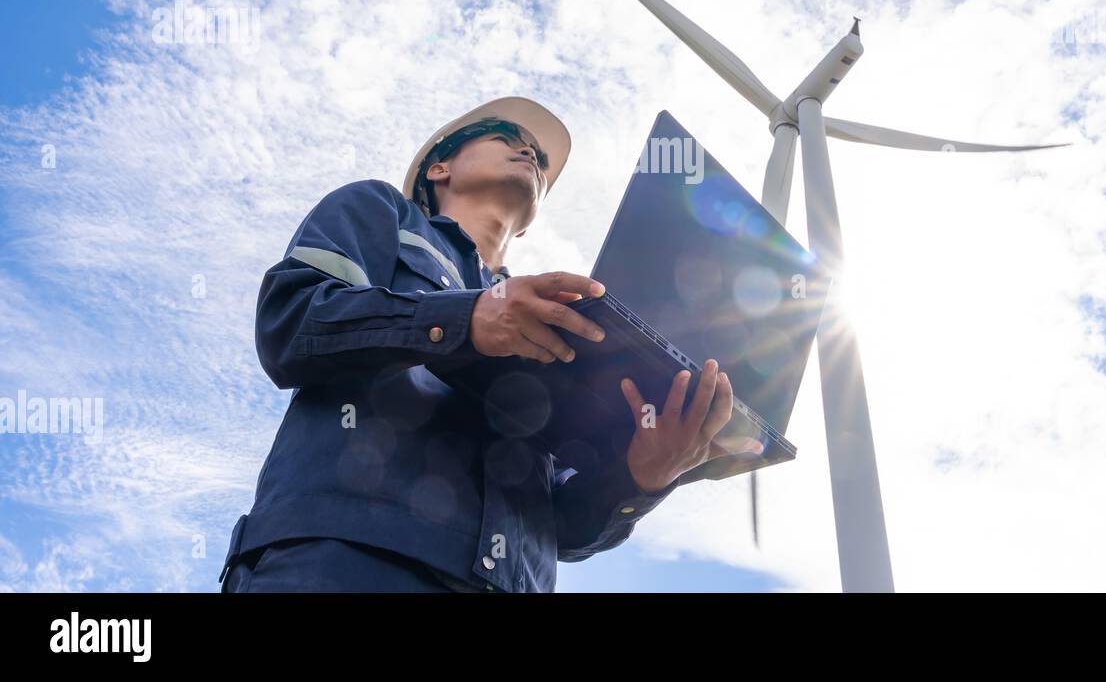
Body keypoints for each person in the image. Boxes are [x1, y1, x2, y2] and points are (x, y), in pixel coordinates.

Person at [219, 96, 738, 592]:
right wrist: (465, 320)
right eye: (507, 136)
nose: (530, 152)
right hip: (346, 560)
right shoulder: (380, 212)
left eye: (537, 155)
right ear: (440, 166)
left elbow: (566, 528)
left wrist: (642, 477)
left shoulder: (553, 323)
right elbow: (291, 321)